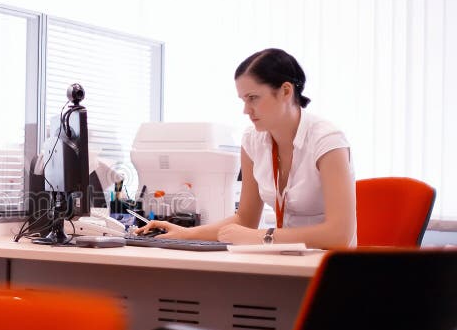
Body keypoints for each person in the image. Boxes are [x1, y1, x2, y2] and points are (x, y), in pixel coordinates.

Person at [135, 48, 356, 249]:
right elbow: (245, 219)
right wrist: (186, 233)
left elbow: (338, 235)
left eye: (253, 98)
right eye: (243, 99)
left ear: (286, 91)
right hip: (284, 260)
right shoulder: (252, 140)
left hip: (329, 267)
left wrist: (263, 236)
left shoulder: (327, 140)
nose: (246, 110)